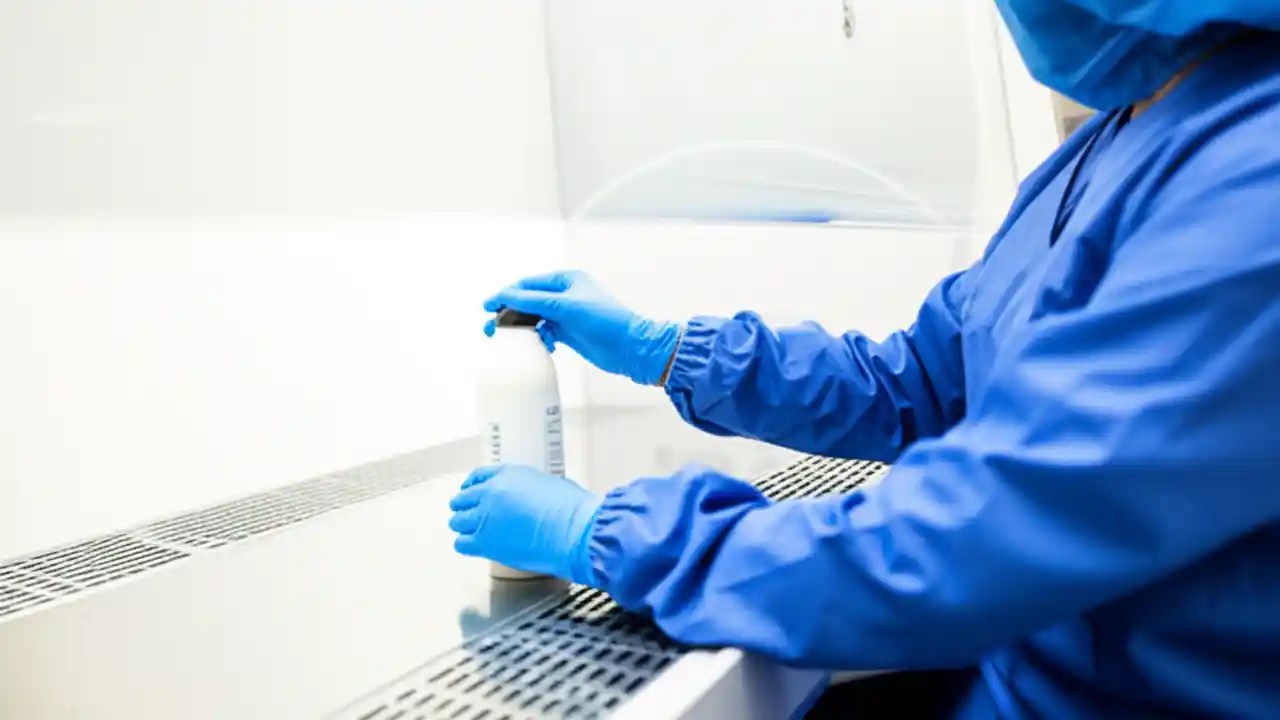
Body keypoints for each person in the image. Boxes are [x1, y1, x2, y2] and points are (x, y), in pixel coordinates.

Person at [449, 4, 1280, 717]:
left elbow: (967, 540)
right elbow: (918, 384)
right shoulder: (1109, 143)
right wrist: (668, 352)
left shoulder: (1257, 171)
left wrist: (615, 538)